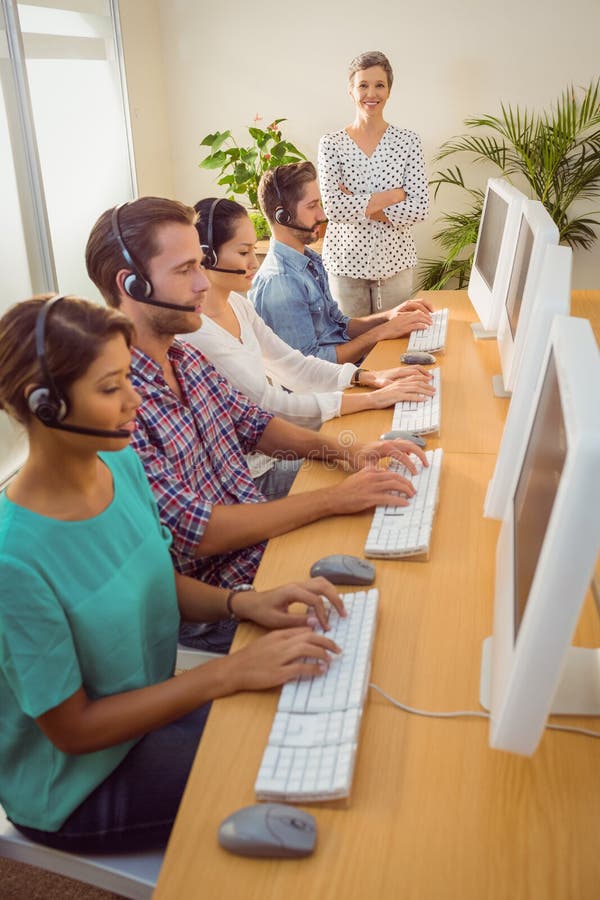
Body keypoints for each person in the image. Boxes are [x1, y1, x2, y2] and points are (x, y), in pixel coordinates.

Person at [0, 294, 344, 853]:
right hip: (78, 781)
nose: (135, 401)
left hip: (152, 707)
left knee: (309, 719)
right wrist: (226, 675)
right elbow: (75, 730)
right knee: (299, 779)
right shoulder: (14, 561)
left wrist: (241, 604)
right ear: (44, 406)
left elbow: (156, 577)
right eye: (111, 388)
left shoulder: (118, 465)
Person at [85, 197, 427, 650]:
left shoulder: (182, 356)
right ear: (130, 283)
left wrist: (347, 453)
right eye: (185, 270)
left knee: (404, 571)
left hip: (263, 552)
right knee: (396, 629)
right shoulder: (115, 400)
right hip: (225, 602)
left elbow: (255, 423)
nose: (202, 284)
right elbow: (198, 532)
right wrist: (331, 499)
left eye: (200, 265)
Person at [182, 196, 435, 487]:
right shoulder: (197, 335)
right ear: (206, 257)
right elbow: (272, 406)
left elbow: (292, 364)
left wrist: (368, 377)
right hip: (254, 477)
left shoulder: (238, 306)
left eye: (253, 249)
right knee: (390, 474)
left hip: (280, 455)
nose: (254, 262)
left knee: (394, 459)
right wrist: (371, 399)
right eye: (243, 253)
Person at [250, 161, 433, 363]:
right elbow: (311, 367)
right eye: (312, 206)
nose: (321, 215)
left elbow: (339, 324)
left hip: (345, 373)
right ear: (282, 216)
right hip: (330, 387)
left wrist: (389, 316)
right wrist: (382, 332)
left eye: (319, 204)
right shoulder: (281, 283)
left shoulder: (309, 261)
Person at [317, 50, 430, 317]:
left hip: (395, 265)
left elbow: (420, 207)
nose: (372, 93)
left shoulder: (408, 142)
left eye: (380, 85)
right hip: (345, 266)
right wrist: (394, 195)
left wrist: (357, 201)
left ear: (389, 90)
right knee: (352, 346)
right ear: (351, 90)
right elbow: (333, 209)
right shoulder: (331, 144)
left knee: (392, 346)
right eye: (363, 85)